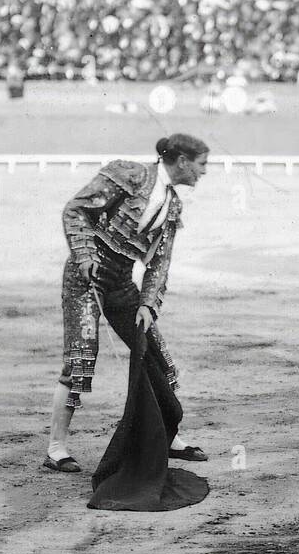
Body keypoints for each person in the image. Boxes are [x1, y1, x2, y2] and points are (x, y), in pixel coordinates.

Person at [44, 133, 210, 472]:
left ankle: (169, 436)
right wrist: (85, 253)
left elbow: (159, 263)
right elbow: (76, 210)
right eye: (202, 164)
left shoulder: (173, 204)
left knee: (155, 355)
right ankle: (56, 449)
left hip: (119, 282)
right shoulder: (131, 175)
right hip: (84, 277)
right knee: (80, 358)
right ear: (182, 161)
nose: (203, 172)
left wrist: (147, 305)